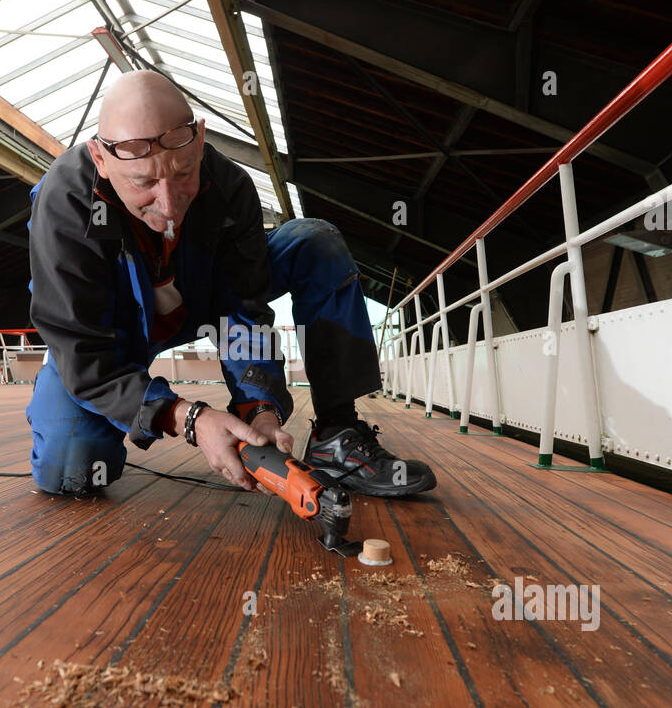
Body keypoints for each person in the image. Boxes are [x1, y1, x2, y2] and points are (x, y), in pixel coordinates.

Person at [25, 70, 435, 499]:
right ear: (100, 159)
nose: (168, 205)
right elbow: (82, 346)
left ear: (200, 139)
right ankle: (67, 394)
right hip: (112, 331)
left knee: (313, 243)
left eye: (183, 173)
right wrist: (187, 417)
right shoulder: (65, 203)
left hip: (203, 302)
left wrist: (259, 409)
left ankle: (337, 430)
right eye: (143, 183)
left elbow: (243, 308)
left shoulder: (231, 186)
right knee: (70, 472)